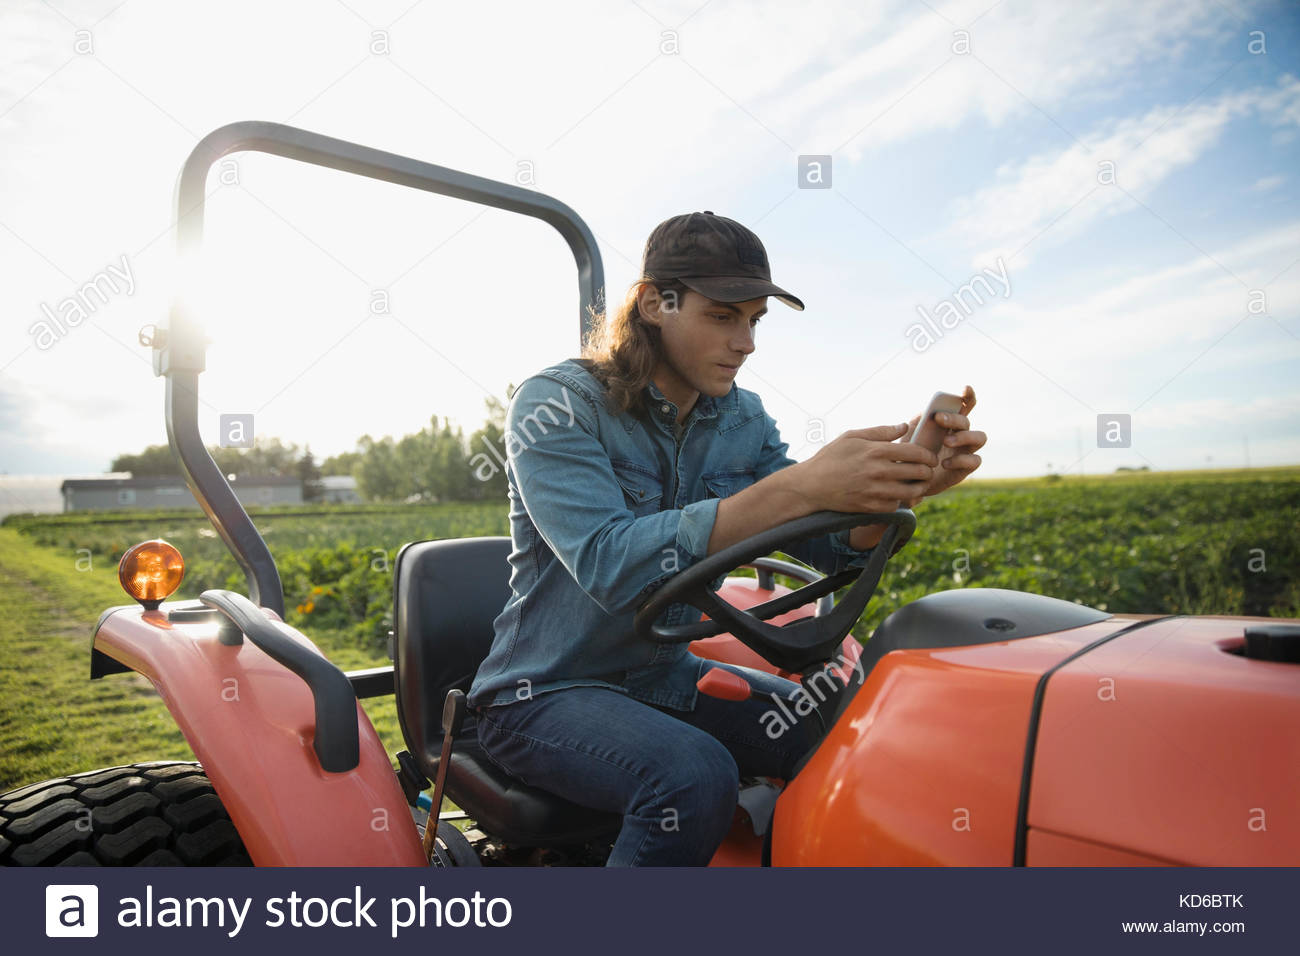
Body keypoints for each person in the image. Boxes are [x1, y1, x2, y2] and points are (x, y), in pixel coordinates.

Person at [466, 211, 986, 866]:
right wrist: (799, 487)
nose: (746, 342)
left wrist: (901, 489)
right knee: (690, 776)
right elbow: (609, 565)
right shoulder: (558, 405)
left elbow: (825, 545)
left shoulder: (743, 419)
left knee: (839, 730)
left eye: (754, 321)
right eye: (723, 316)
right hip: (544, 694)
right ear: (656, 303)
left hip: (664, 677)